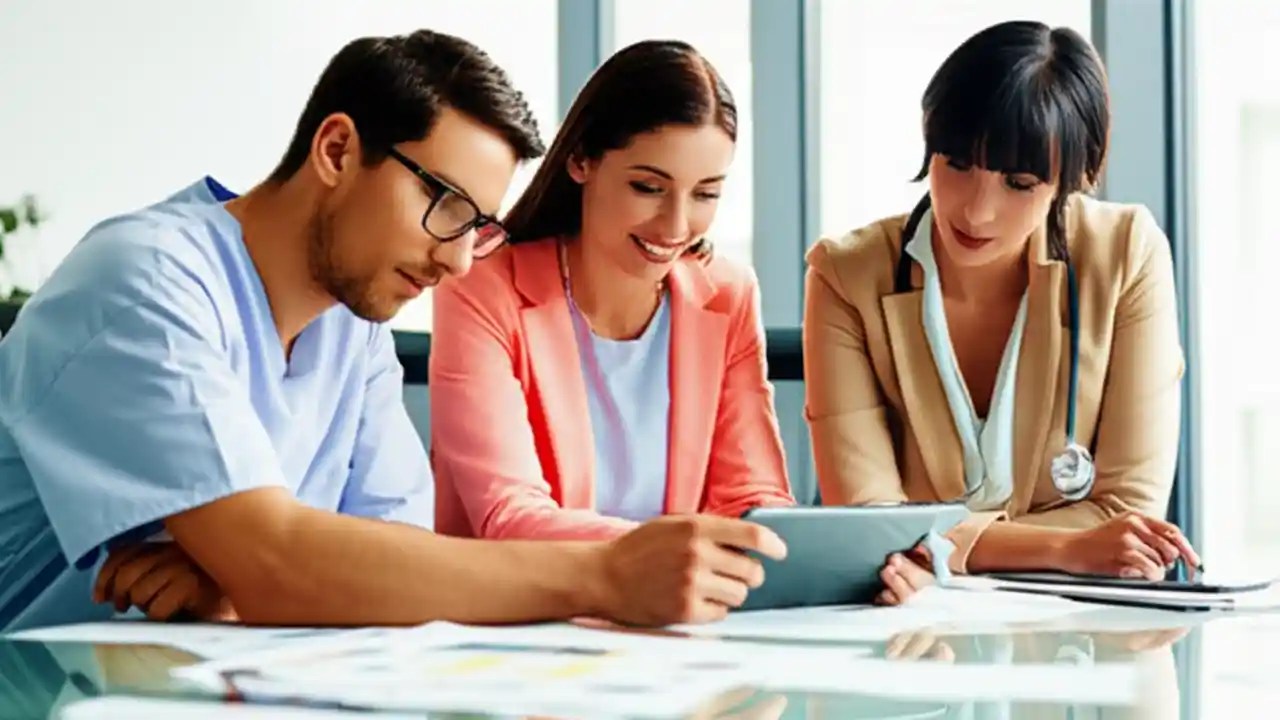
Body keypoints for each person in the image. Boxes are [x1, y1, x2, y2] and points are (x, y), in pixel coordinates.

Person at [0, 29, 786, 632]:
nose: (457, 260)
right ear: (337, 149)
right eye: (444, 206)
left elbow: (400, 560)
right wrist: (607, 575)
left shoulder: (354, 328)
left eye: (476, 225)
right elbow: (279, 561)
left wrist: (237, 577)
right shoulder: (146, 282)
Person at [802, 21, 1199, 604]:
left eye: (1019, 182)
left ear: (1072, 179)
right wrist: (1065, 547)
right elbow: (868, 525)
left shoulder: (1125, 255)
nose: (977, 211)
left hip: (1076, 627)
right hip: (912, 628)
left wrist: (939, 547)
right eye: (957, 163)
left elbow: (1127, 512)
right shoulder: (847, 275)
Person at [429, 40, 794, 541]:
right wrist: (668, 552)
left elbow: (753, 499)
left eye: (706, 193)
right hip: (525, 590)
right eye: (648, 188)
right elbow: (508, 515)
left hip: (680, 588)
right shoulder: (481, 286)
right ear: (581, 160)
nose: (676, 225)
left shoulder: (729, 296)